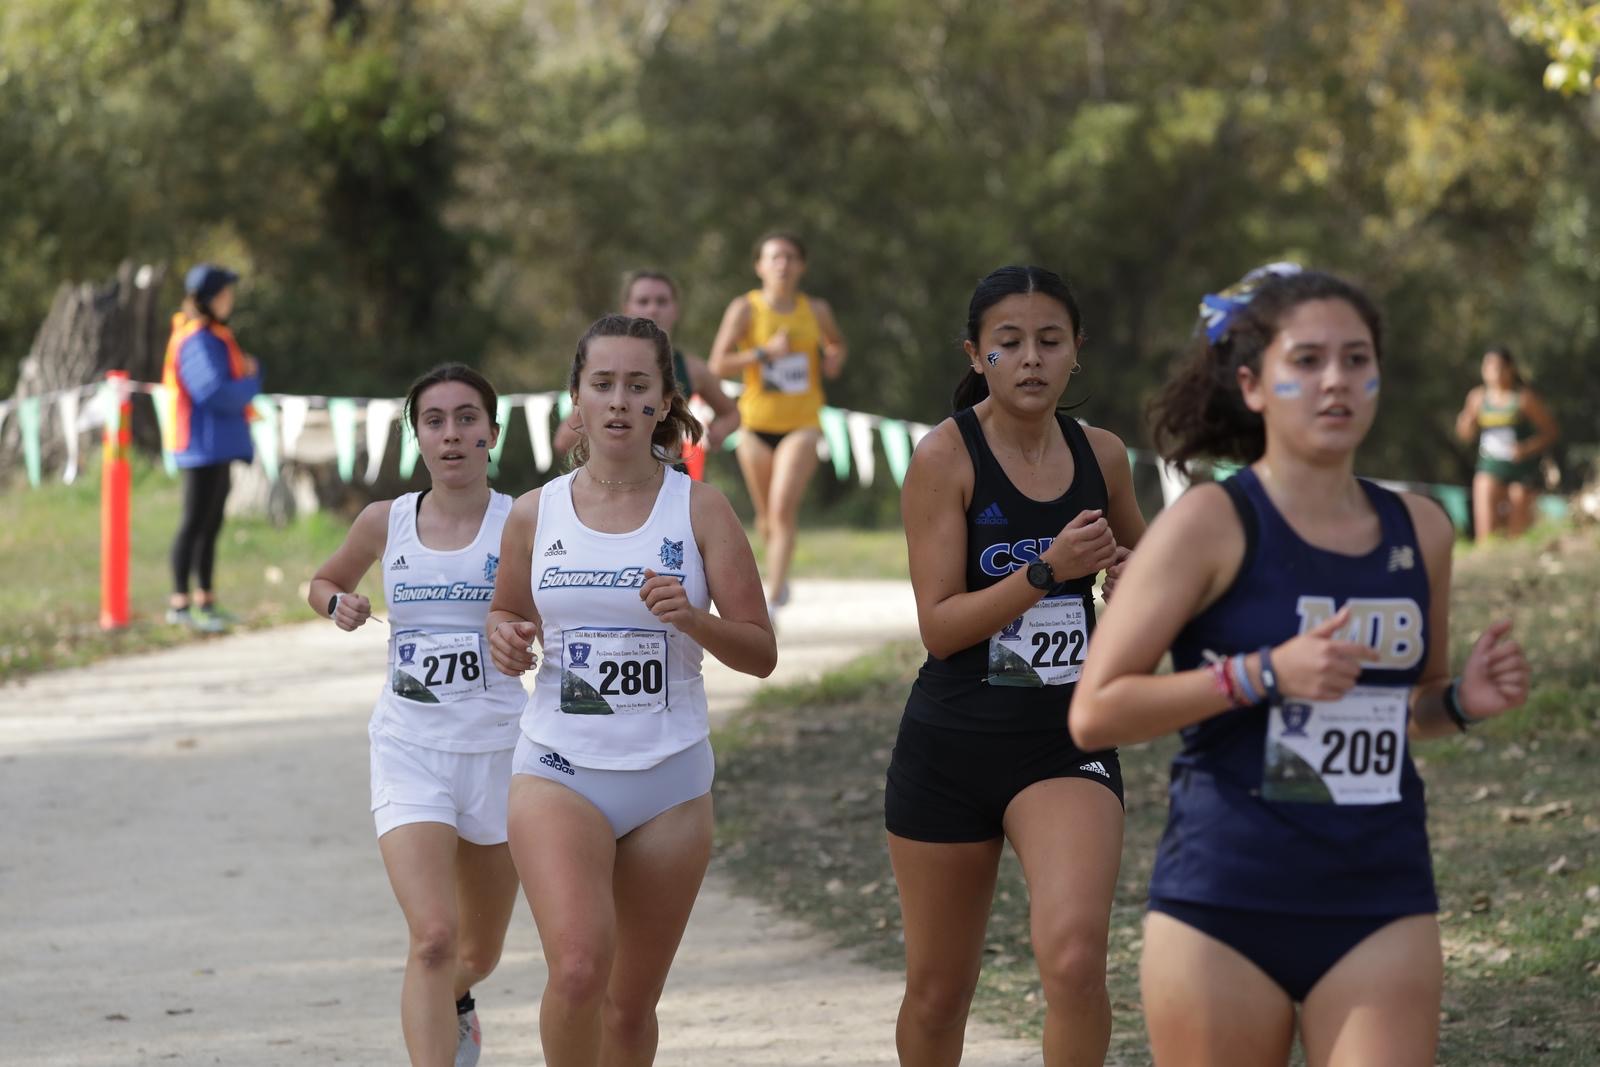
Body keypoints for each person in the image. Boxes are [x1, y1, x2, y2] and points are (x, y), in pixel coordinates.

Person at [1070, 265, 1531, 1066]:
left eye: (1356, 359)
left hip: (1380, 892)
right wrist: (1262, 672)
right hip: (1224, 897)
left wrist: (1460, 700)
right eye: (1308, 360)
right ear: (1252, 384)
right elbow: (1096, 710)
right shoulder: (1209, 523)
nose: (1336, 381)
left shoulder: (1422, 529)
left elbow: (1412, 705)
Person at [486, 314, 776, 1066]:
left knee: (629, 1004)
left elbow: (761, 652)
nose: (618, 400)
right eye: (603, 383)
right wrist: (506, 637)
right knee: (580, 970)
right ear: (576, 400)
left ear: (665, 400)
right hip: (559, 768)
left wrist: (694, 619)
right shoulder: (534, 512)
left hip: (669, 782)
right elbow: (507, 613)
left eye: (637, 384)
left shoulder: (700, 508)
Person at [886, 265, 1146, 1066]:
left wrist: (1130, 578)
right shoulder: (944, 457)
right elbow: (939, 627)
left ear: (1076, 352)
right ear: (977, 354)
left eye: (1050, 340)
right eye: (1009, 342)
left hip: (1064, 741)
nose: (1031, 358)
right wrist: (1045, 570)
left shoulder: (1103, 456)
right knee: (938, 994)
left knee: (1075, 962)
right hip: (951, 745)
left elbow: (1146, 572)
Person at [307, 364, 524, 1067]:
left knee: (476, 954)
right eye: (435, 421)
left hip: (498, 750)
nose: (451, 434)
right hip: (409, 746)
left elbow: (559, 610)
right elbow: (324, 580)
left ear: (492, 433)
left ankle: (456, 1001)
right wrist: (338, 604)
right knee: (433, 937)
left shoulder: (523, 521)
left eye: (467, 419)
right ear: (418, 437)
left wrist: (524, 637)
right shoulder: (386, 520)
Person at [708, 231, 847, 616]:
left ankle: (771, 600)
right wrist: (762, 353)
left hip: (803, 423)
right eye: (774, 257)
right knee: (767, 517)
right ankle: (779, 577)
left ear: (801, 266)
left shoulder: (815, 310)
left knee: (783, 508)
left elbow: (836, 344)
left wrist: (833, 358)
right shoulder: (746, 309)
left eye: (789, 257)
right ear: (760, 266)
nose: (782, 264)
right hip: (755, 424)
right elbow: (717, 364)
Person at [161, 263, 262, 633]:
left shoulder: (215, 336)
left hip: (218, 445)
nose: (230, 298)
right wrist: (253, 379)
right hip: (200, 445)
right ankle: (179, 604)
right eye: (226, 292)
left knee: (211, 524)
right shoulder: (196, 340)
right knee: (193, 523)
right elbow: (212, 392)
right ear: (211, 298)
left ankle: (206, 599)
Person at [553, 269, 740, 461]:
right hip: (614, 473)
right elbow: (563, 440)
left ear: (676, 309)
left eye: (661, 301)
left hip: (668, 470)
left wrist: (718, 432)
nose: (653, 309)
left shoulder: (692, 368)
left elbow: (732, 414)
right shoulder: (606, 365)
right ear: (626, 308)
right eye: (643, 301)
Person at [1453, 345, 1559, 543]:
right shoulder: (1477, 398)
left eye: (1498, 366)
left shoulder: (1524, 398)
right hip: (1490, 465)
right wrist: (1465, 423)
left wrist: (1527, 448)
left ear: (1510, 369)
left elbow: (1550, 432)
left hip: (1522, 469)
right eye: (1487, 366)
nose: (1492, 371)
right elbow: (1465, 435)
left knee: (1517, 533)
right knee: (1487, 534)